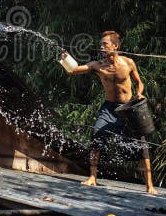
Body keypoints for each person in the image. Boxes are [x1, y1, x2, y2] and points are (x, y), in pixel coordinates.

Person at [60, 30, 157, 194]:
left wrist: (139, 93)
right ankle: (92, 177)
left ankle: (149, 186)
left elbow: (139, 83)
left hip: (128, 108)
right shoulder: (98, 65)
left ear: (116, 45)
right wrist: (65, 59)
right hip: (109, 108)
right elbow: (73, 70)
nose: (101, 47)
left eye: (105, 44)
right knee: (97, 134)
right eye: (100, 45)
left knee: (142, 145)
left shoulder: (128, 63)